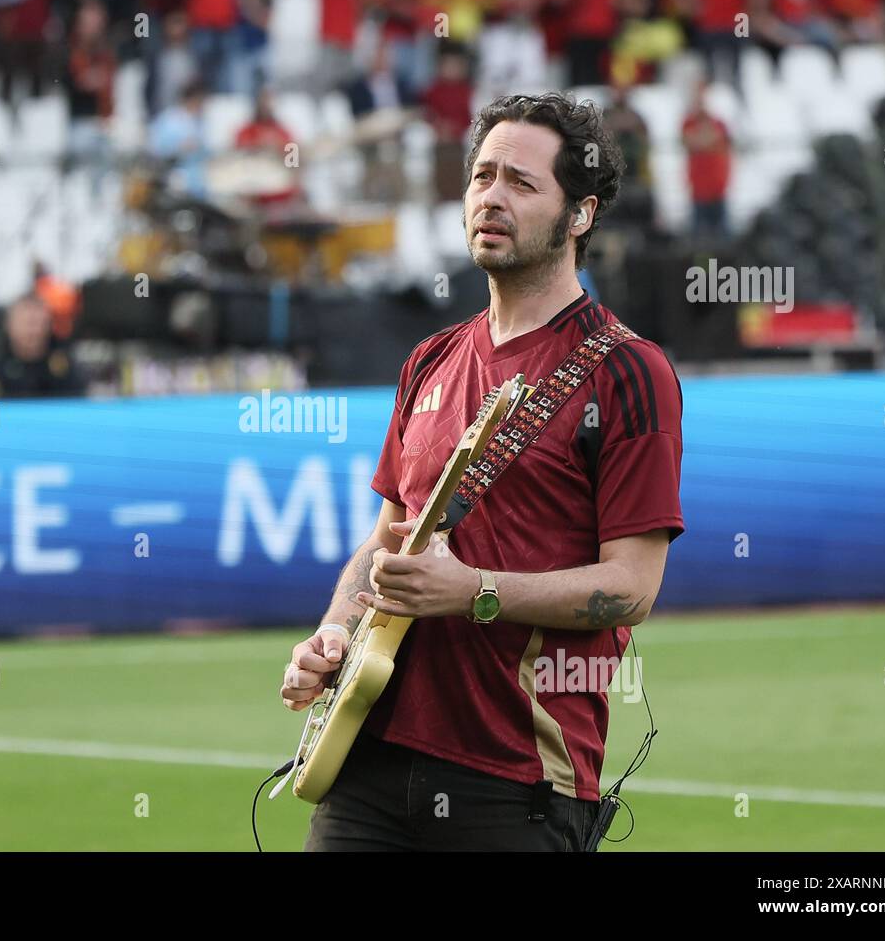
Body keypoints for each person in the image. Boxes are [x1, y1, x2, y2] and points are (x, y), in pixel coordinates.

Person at [282, 92, 684, 852]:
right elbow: (384, 547)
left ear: (580, 215)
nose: (491, 197)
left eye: (522, 184)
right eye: (482, 176)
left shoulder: (629, 371)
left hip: (515, 782)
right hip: (367, 756)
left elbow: (631, 588)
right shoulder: (429, 359)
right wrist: (333, 635)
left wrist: (475, 593)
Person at [0, 294, 84, 398]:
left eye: (40, 323)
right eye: (28, 323)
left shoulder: (64, 364)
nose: (34, 331)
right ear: (9, 325)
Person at [681, 80, 732, 239]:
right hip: (698, 191)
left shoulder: (719, 123)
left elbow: (712, 139)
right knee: (698, 240)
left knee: (722, 240)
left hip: (718, 189)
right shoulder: (688, 123)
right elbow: (691, 141)